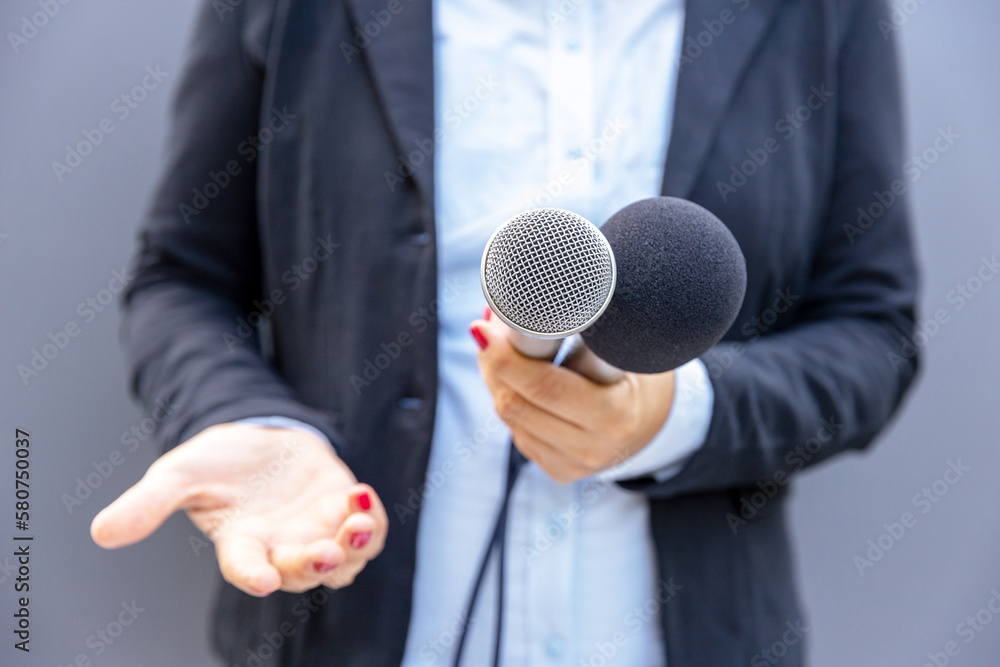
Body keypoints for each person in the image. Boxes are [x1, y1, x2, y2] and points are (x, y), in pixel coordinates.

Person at [91, 0, 919, 664]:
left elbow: (872, 330)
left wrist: (672, 415)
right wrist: (258, 424)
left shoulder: (822, 13)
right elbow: (182, 276)